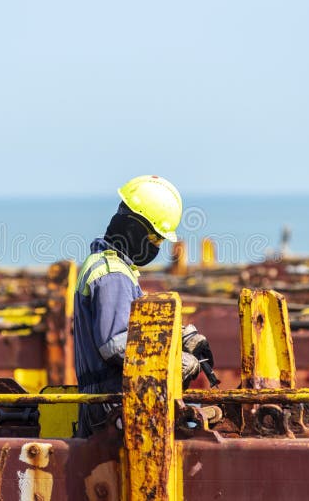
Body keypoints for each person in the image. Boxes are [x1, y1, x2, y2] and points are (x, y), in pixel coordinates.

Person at [73, 175, 213, 437]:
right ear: (133, 229)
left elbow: (136, 322)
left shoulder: (112, 266)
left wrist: (182, 336)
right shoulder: (111, 274)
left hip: (109, 402)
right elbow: (116, 344)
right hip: (111, 407)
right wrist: (173, 360)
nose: (156, 247)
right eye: (155, 238)